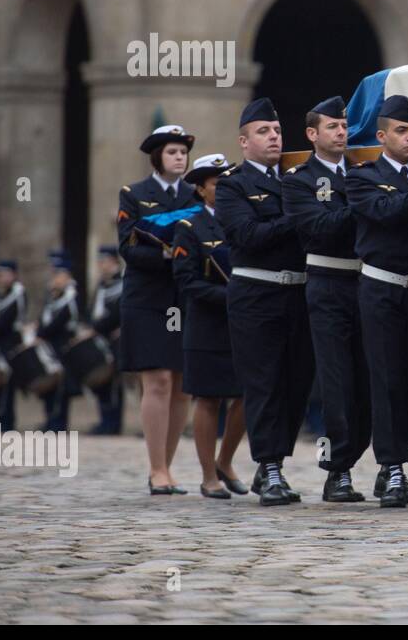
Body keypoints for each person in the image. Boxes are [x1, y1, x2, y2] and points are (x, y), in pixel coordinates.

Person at [217, 99, 314, 505]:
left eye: (276, 131)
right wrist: (300, 216)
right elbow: (248, 236)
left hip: (298, 292)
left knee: (296, 382)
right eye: (263, 132)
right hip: (256, 294)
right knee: (264, 382)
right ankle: (269, 464)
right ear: (244, 141)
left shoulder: (295, 181)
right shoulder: (232, 186)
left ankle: (272, 465)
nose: (273, 137)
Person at [281, 95, 371, 503]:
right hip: (328, 282)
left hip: (367, 283)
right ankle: (337, 470)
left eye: (344, 125)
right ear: (312, 134)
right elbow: (318, 229)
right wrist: (363, 203)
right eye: (332, 126)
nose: (341, 132)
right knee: (336, 381)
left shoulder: (363, 173)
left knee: (369, 378)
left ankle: (371, 459)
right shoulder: (299, 180)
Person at [345, 94, 408, 508]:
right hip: (381, 288)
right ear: (382, 136)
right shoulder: (363, 176)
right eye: (402, 131)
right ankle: (391, 464)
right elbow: (386, 211)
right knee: (387, 378)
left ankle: (397, 465)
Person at [118, 123, 197, 494]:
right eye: (172, 152)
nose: (179, 158)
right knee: (158, 379)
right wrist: (168, 254)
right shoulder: (135, 194)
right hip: (147, 297)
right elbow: (128, 248)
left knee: (182, 384)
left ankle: (166, 465)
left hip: (182, 295)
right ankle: (156, 468)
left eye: (183, 152)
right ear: (157, 156)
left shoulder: (195, 195)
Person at [172, 154, 249, 499]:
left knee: (247, 395)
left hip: (243, 323)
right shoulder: (190, 227)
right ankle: (208, 475)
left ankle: (226, 459)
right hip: (207, 324)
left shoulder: (243, 217)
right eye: (218, 183)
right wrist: (230, 294)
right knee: (208, 399)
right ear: (201, 189)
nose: (225, 188)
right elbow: (187, 284)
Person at [37, 250, 81, 431]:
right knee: (50, 387)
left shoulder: (71, 296)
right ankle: (50, 420)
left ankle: (59, 423)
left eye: (58, 274)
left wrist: (42, 333)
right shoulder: (53, 294)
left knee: (61, 388)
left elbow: (59, 321)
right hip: (49, 345)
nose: (54, 277)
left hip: (62, 345)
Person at [87, 246, 125, 434]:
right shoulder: (102, 285)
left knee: (113, 383)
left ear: (114, 262)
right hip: (99, 339)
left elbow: (118, 313)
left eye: (105, 262)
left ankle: (113, 422)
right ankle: (104, 420)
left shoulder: (121, 284)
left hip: (114, 339)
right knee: (101, 382)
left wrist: (97, 328)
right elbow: (92, 310)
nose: (102, 266)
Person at [0, 260, 26, 429]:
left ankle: (7, 423)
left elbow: (4, 322)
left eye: (5, 275)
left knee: (7, 386)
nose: (1, 279)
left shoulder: (18, 294)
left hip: (9, 344)